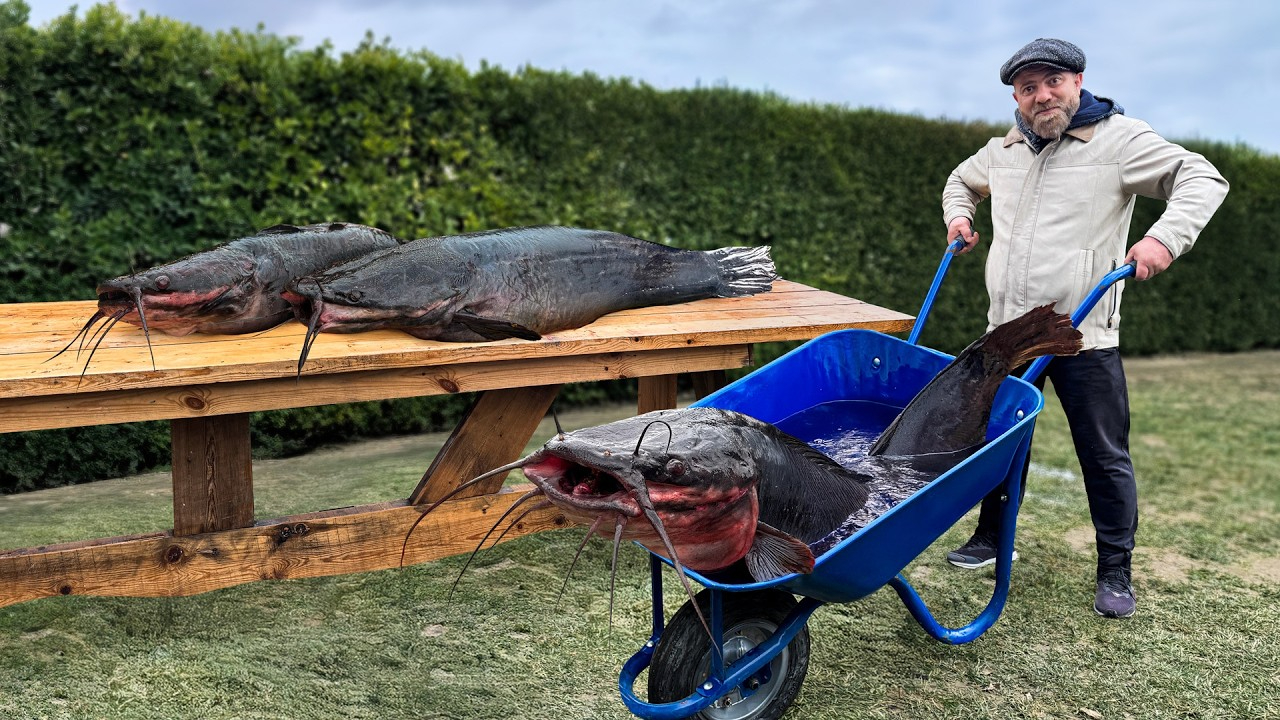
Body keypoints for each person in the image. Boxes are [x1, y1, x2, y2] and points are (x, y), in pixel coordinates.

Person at [940, 38, 1228, 618]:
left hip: (1081, 336)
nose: (1041, 96)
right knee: (997, 443)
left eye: (1053, 82)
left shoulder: (1119, 141)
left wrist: (1163, 239)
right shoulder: (1005, 148)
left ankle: (1115, 567)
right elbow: (960, 180)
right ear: (1017, 99)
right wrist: (960, 215)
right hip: (1008, 334)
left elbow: (1202, 177)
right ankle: (991, 537)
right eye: (1028, 88)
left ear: (1077, 81)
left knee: (1103, 454)